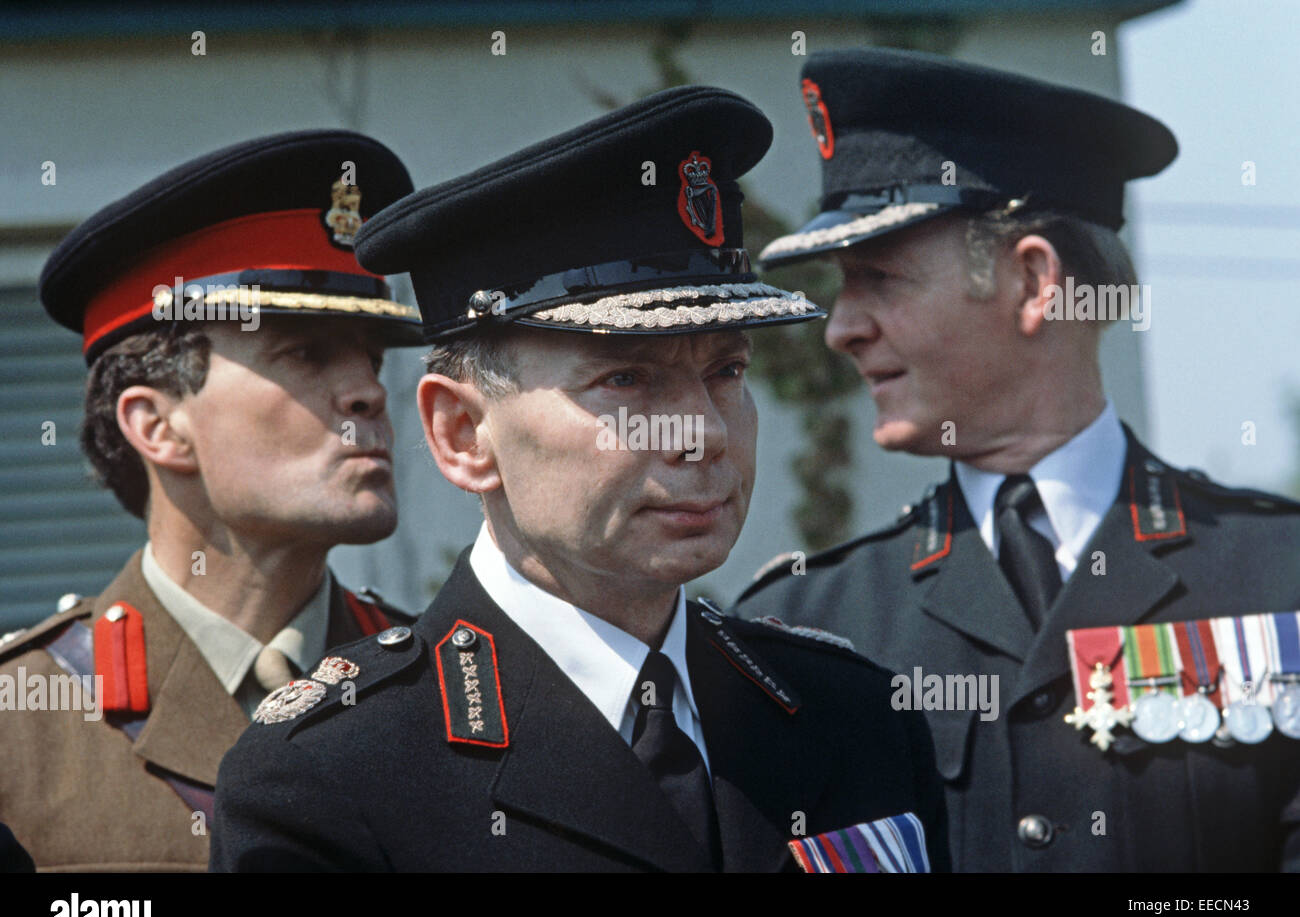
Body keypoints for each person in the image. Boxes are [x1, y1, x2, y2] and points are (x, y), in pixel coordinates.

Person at [211, 87, 949, 873]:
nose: (699, 429)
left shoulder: (852, 714)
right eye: (626, 379)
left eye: (726, 368)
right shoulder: (331, 778)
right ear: (463, 434)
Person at [735, 48, 1300, 872]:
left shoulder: (1279, 572)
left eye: (879, 279)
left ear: (1035, 281)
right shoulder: (808, 623)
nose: (841, 328)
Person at [0, 130, 417, 871]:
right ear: (157, 426)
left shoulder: (452, 694)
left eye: (371, 357)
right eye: (306, 353)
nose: (369, 391)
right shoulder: (21, 725)